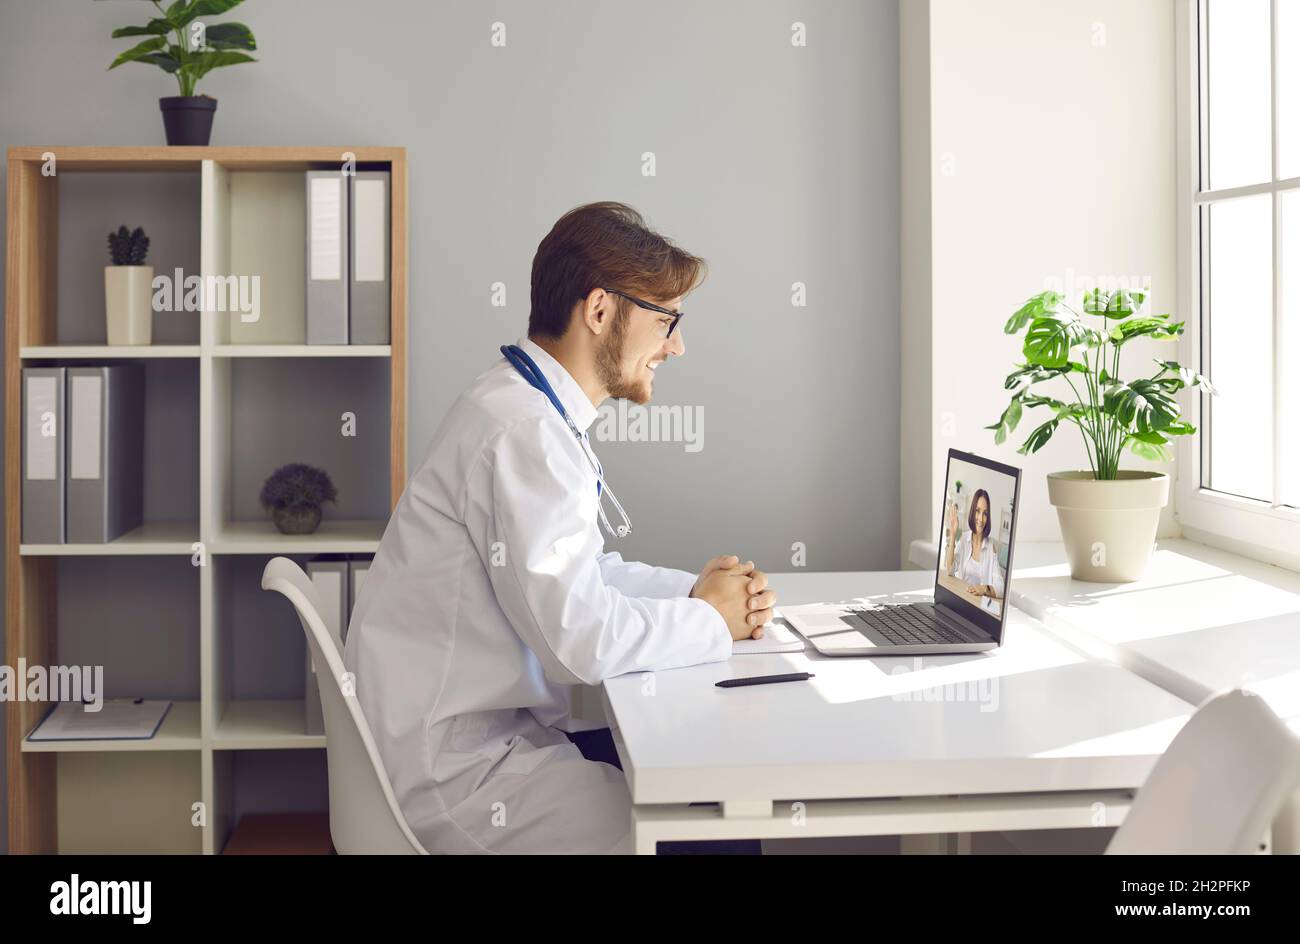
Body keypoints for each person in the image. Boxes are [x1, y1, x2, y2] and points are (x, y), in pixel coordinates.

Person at [343, 201, 776, 854]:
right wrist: (712, 621)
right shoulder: (525, 433)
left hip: (473, 736)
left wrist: (697, 595)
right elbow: (581, 642)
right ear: (600, 311)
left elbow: (584, 575)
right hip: (459, 772)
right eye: (666, 320)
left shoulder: (522, 408)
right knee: (712, 829)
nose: (676, 344)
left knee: (692, 777)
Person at [944, 487, 1005, 614]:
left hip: (979, 609)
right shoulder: (964, 539)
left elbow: (1001, 589)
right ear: (973, 512)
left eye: (985, 513)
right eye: (978, 511)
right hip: (960, 602)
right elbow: (950, 569)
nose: (981, 519)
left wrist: (983, 589)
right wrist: (954, 534)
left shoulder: (990, 548)